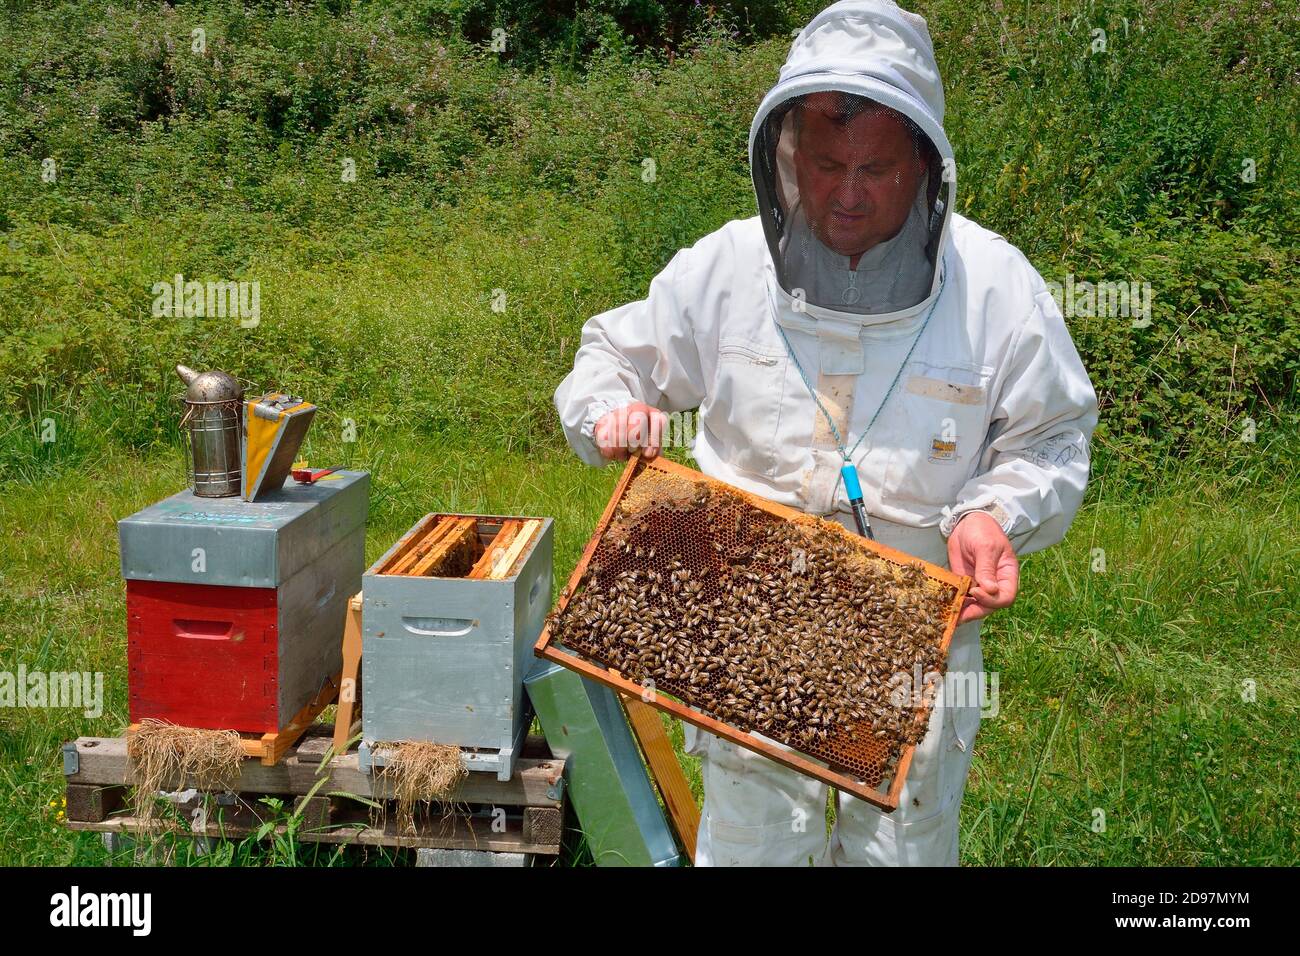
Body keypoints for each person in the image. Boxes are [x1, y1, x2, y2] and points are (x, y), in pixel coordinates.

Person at [554, 0, 1098, 866]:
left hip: (913, 642)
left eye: (877, 168)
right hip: (740, 627)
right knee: (753, 847)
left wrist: (996, 515)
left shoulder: (995, 287)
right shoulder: (726, 268)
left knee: (902, 851)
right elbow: (608, 356)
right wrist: (615, 411)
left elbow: (1055, 439)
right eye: (825, 162)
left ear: (924, 165)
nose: (848, 193)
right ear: (786, 156)